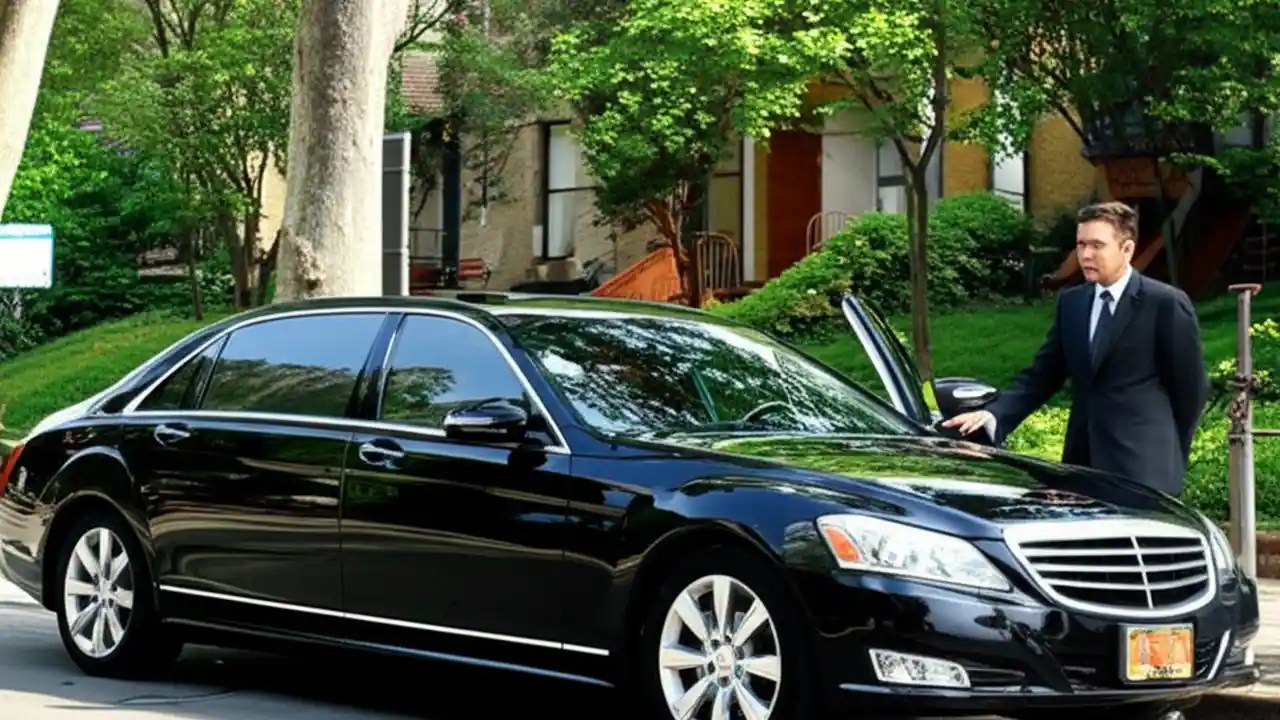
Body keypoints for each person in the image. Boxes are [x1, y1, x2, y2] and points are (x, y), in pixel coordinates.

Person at [943, 201, 1210, 497]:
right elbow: (1043, 375)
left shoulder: (1165, 304)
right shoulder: (1072, 304)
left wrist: (1172, 459)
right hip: (1081, 470)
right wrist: (993, 416)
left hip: (1144, 473)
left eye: (1097, 245)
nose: (1085, 255)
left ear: (1127, 250)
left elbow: (1190, 391)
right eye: (1081, 245)